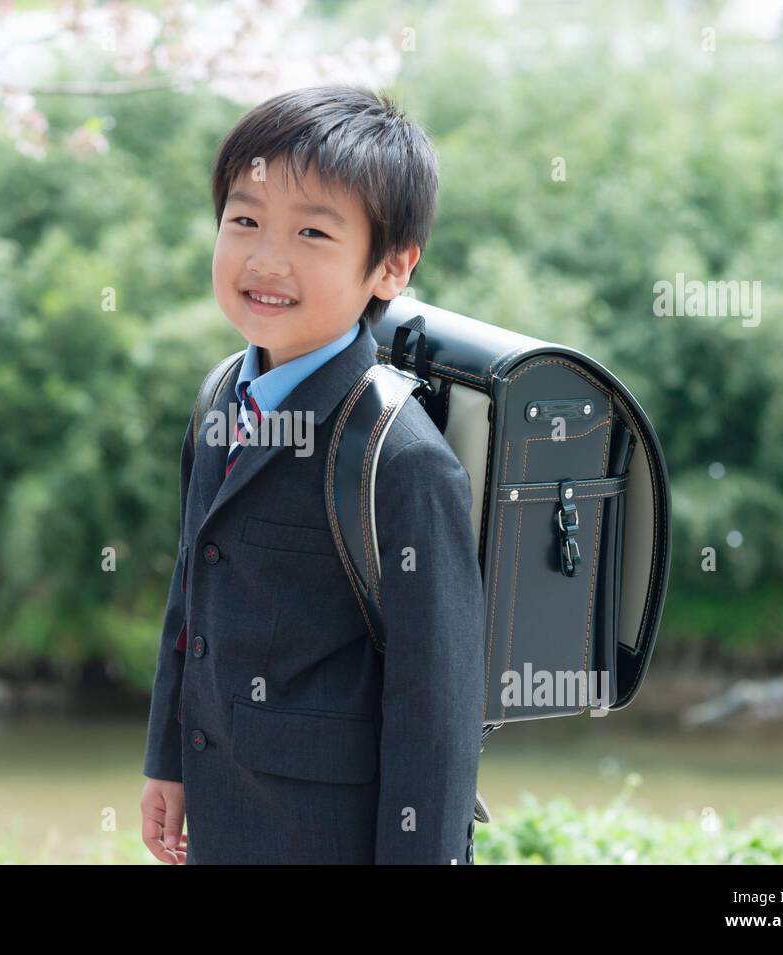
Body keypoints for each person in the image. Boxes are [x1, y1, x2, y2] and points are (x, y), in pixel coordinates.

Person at [139, 84, 485, 864]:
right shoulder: (221, 393)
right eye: (246, 219)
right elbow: (192, 585)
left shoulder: (400, 458)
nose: (266, 258)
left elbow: (437, 710)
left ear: (391, 266)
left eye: (312, 233)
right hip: (225, 817)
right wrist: (168, 757)